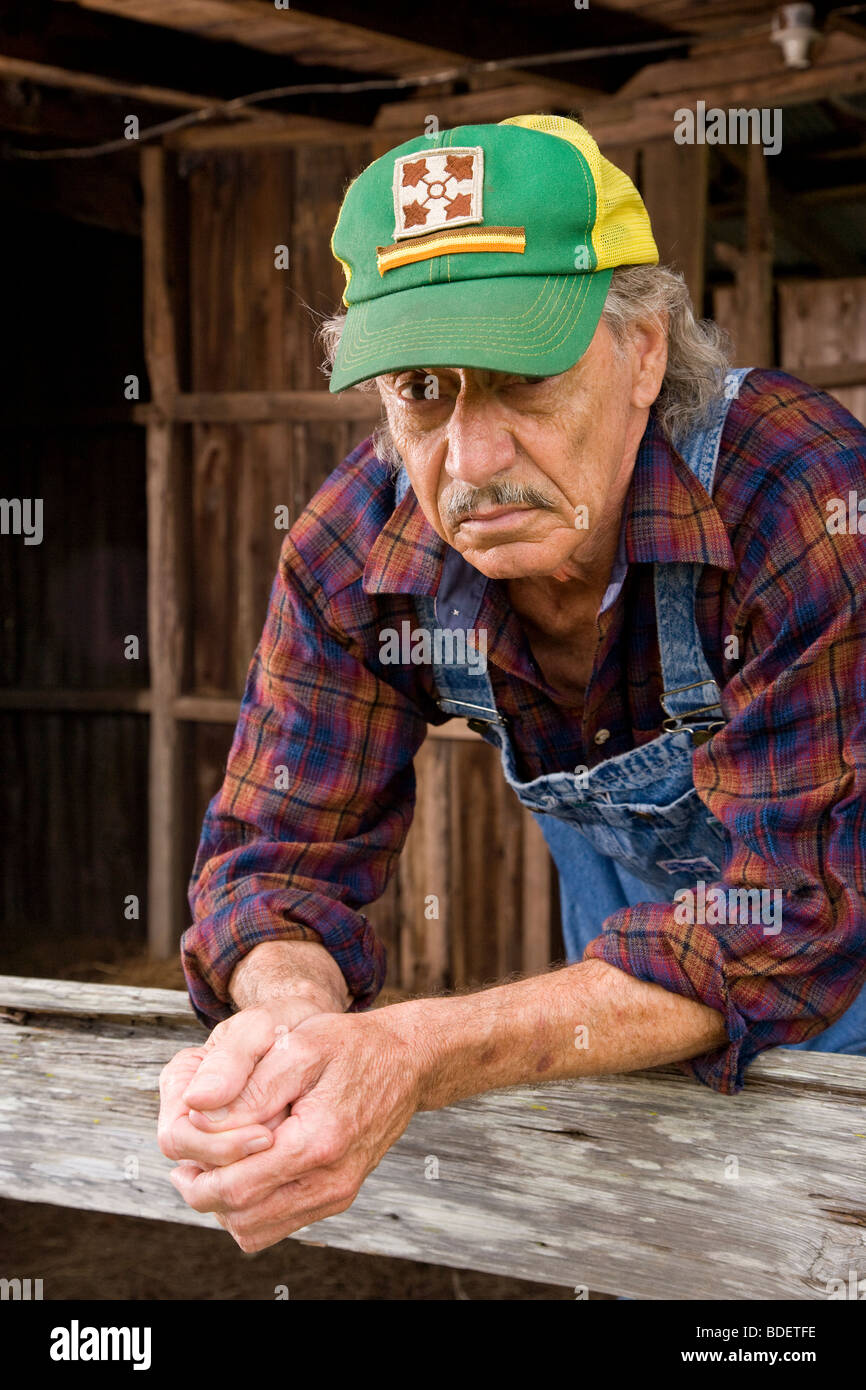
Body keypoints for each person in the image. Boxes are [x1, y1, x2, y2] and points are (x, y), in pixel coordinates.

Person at [158, 114, 866, 1253]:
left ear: (642, 353)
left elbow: (791, 920)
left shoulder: (801, 498)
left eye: (524, 374)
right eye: (424, 390)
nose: (471, 460)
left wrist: (416, 1051)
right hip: (634, 989)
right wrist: (292, 1026)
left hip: (837, 938)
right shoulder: (358, 552)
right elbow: (270, 862)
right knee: (662, 1245)